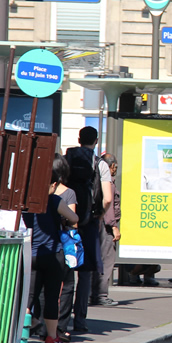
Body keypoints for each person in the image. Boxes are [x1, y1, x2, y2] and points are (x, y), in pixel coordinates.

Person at [23, 154, 79, 343]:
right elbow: (74, 218)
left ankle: (20, 336)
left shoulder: (25, 202)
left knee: (27, 297)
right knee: (51, 297)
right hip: (53, 255)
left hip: (31, 254)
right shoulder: (54, 201)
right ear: (53, 184)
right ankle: (52, 337)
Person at [64, 126, 113, 330]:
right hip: (89, 222)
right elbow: (108, 198)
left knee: (65, 270)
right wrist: (100, 214)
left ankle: (61, 319)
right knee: (84, 273)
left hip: (67, 220)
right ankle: (80, 320)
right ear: (96, 140)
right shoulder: (100, 164)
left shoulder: (67, 159)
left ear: (79, 139)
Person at [93, 153, 120, 306]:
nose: (115, 169)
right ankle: (101, 295)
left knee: (98, 259)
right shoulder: (108, 183)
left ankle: (93, 294)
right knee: (107, 260)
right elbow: (109, 205)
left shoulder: (99, 181)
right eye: (115, 166)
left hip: (99, 223)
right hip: (106, 226)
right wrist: (114, 227)